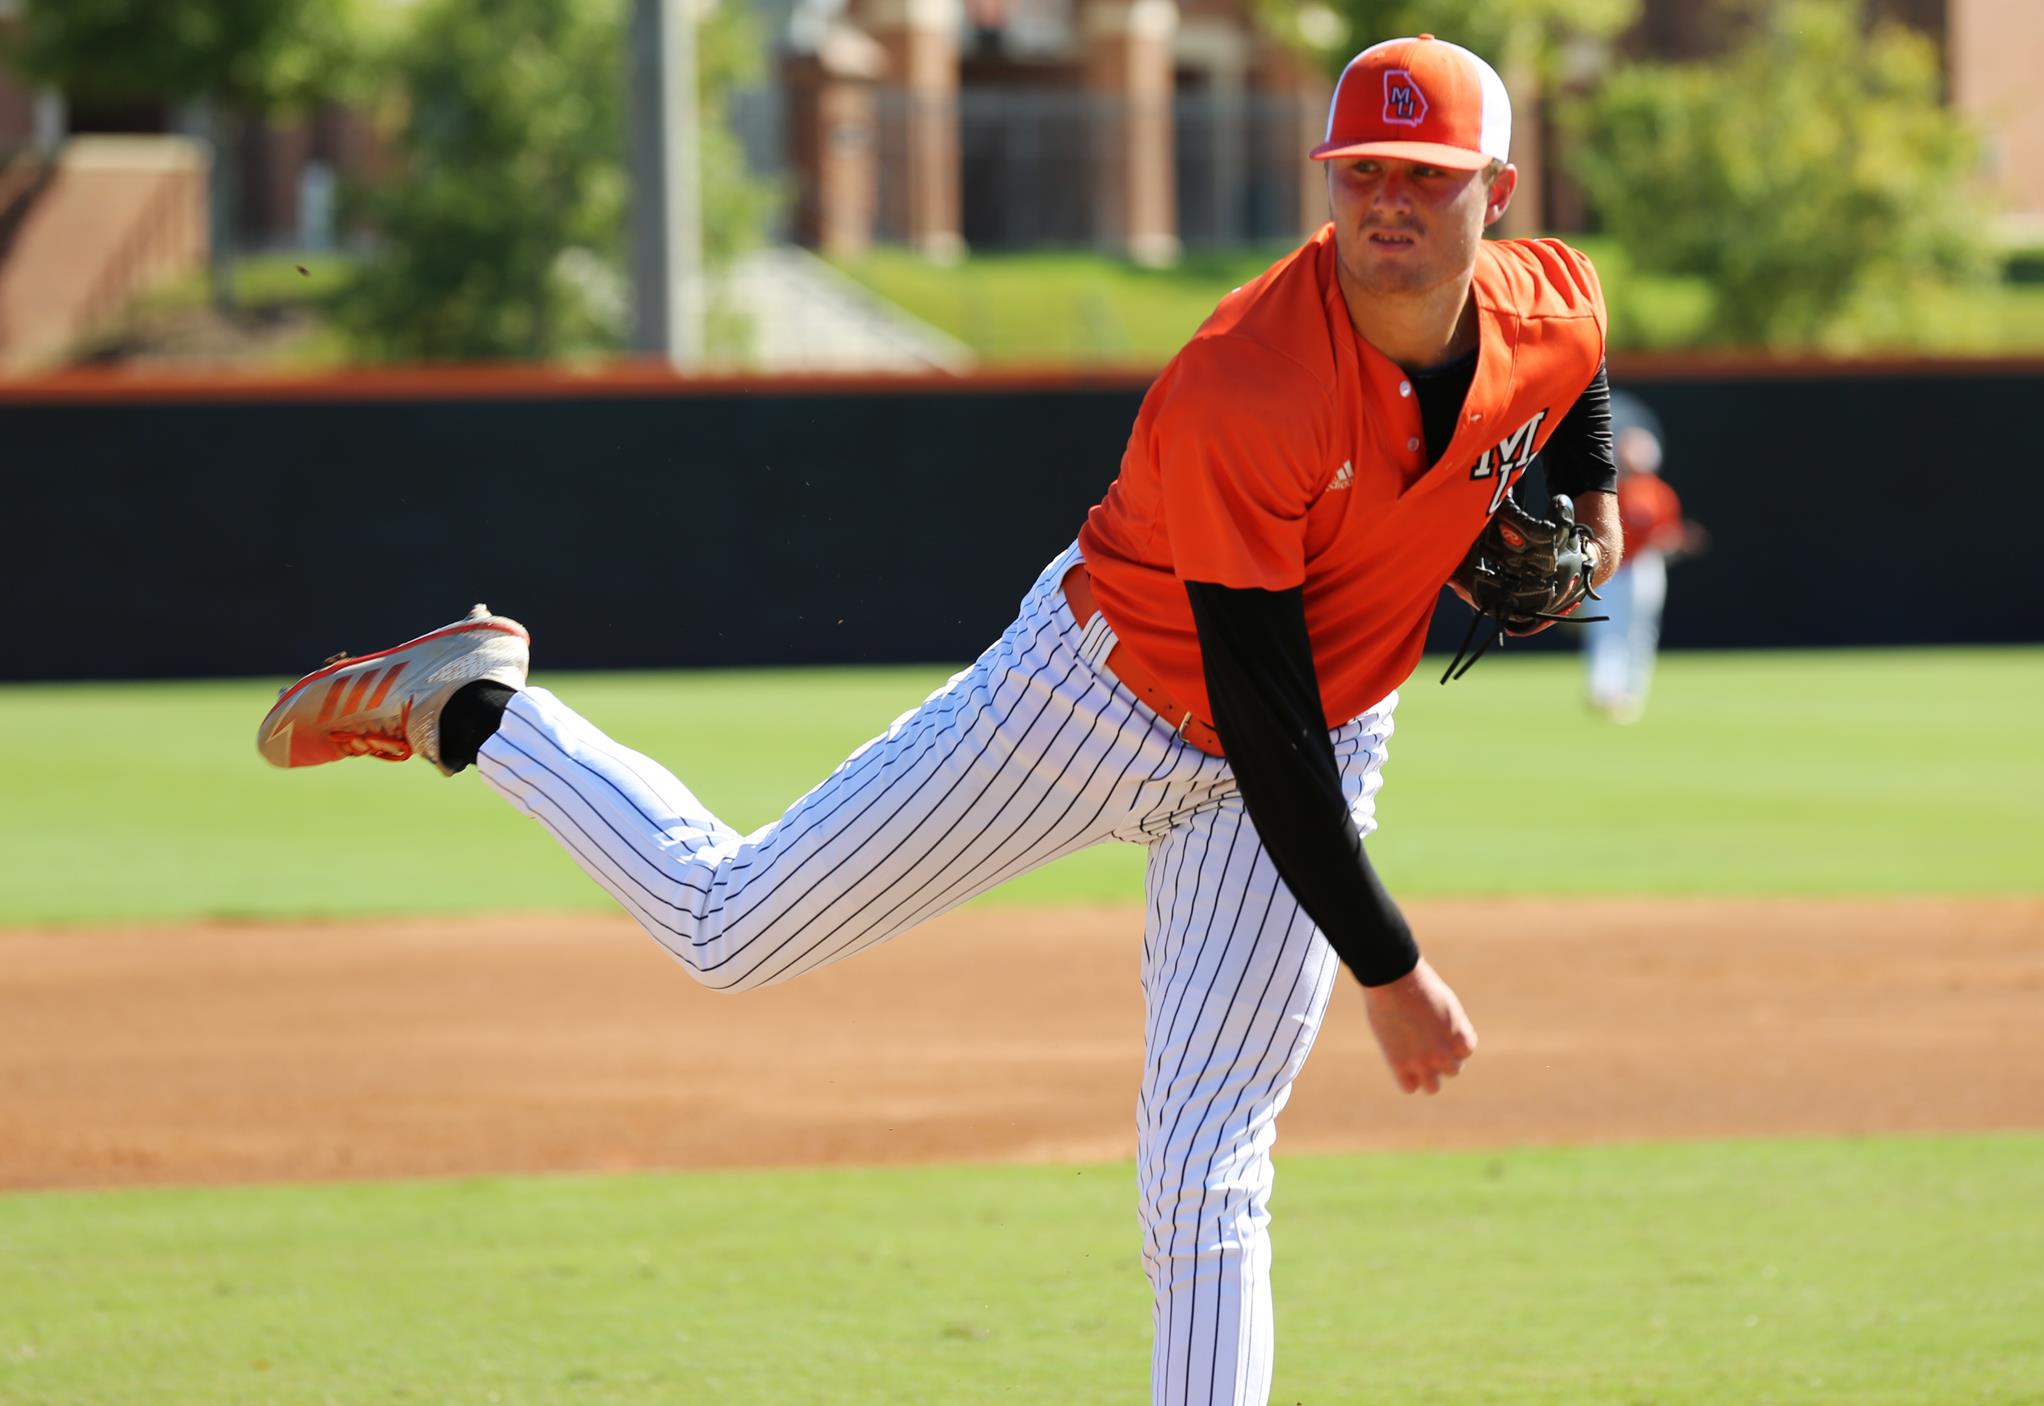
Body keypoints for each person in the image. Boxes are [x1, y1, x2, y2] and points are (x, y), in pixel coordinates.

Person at [257, 35, 1620, 1406]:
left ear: (1493, 191)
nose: (1390, 199)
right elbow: (1258, 723)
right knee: (729, 929)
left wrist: (1600, 507)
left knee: (1205, 1160)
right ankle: (483, 706)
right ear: (1328, 179)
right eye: (1364, 169)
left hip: (1321, 731)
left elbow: (1580, 366)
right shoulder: (1247, 385)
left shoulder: (1546, 304)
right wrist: (1388, 965)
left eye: (1428, 176)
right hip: (1096, 699)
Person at [1581, 392, 1702, 723]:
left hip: (1645, 567)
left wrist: (1677, 541)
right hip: (1614, 568)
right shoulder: (1612, 489)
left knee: (1641, 631)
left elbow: (1667, 535)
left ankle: (1631, 693)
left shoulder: (1660, 493)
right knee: (1607, 629)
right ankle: (1604, 691)